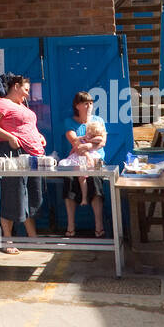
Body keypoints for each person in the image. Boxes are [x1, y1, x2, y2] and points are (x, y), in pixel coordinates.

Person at [0, 74, 46, 247]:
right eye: (25, 90)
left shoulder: (22, 105)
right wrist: (9, 137)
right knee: (13, 195)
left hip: (33, 155)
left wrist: (38, 136)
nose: (27, 94)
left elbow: (27, 126)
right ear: (15, 86)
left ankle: (33, 237)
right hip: (13, 153)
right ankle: (8, 239)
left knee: (32, 196)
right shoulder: (2, 103)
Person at [60, 92, 108, 238]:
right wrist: (86, 151)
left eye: (91, 103)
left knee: (95, 181)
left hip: (95, 161)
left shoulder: (98, 120)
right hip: (77, 161)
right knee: (69, 180)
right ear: (77, 105)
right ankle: (71, 225)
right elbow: (74, 141)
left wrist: (86, 147)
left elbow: (103, 142)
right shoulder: (70, 122)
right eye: (85, 103)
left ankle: (99, 226)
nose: (89, 106)